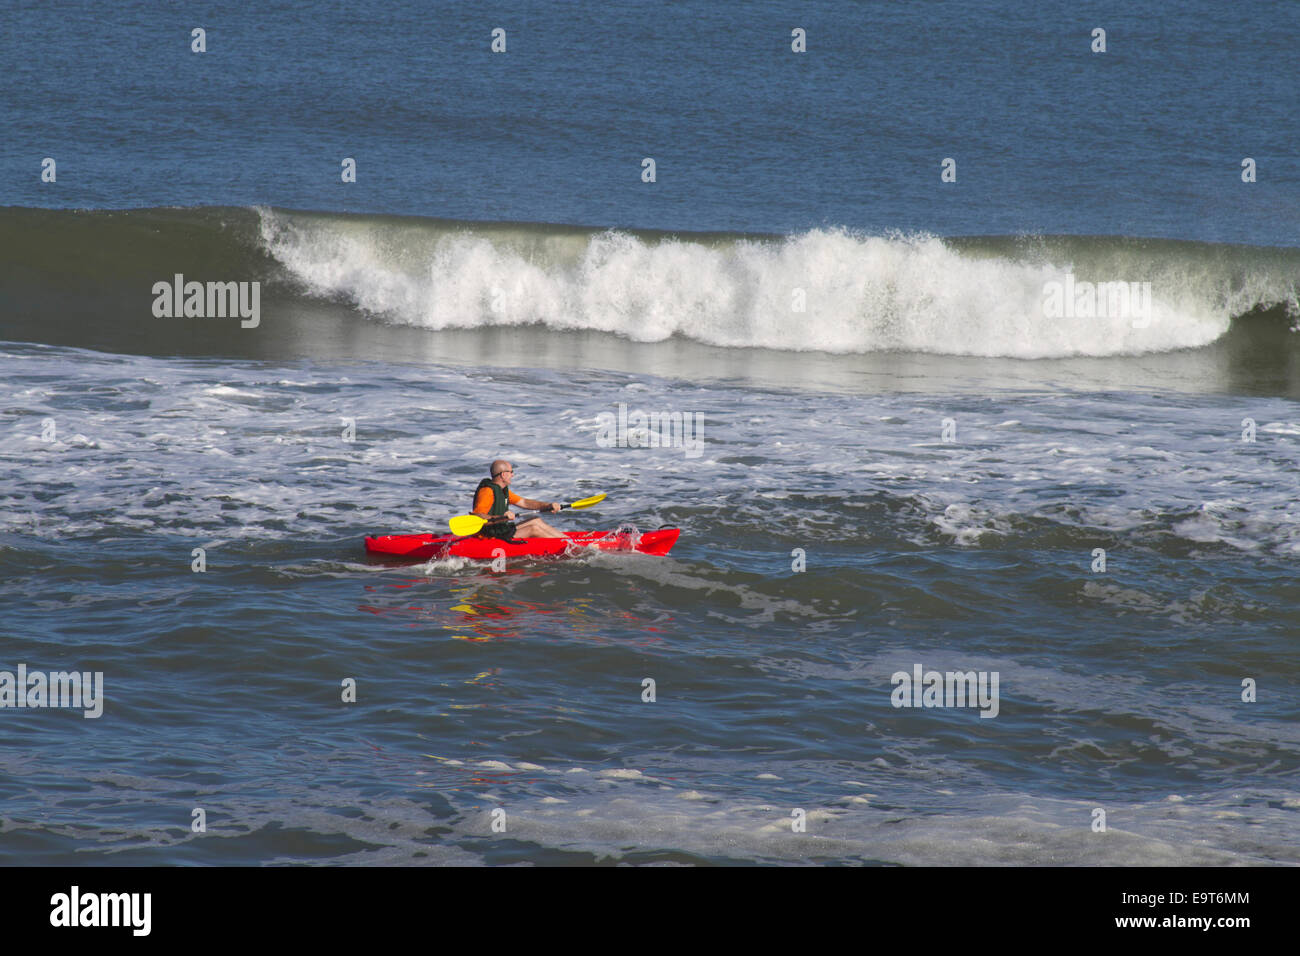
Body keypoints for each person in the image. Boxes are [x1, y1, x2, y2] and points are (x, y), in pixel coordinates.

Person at [471, 460, 565, 540]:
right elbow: (477, 517)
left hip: (500, 530)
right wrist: (501, 517)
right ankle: (565, 547)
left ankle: (568, 541)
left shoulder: (502, 490)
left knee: (536, 520)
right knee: (534, 529)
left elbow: (524, 502)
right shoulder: (487, 491)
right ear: (503, 475)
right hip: (490, 537)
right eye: (511, 472)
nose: (513, 475)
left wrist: (547, 506)